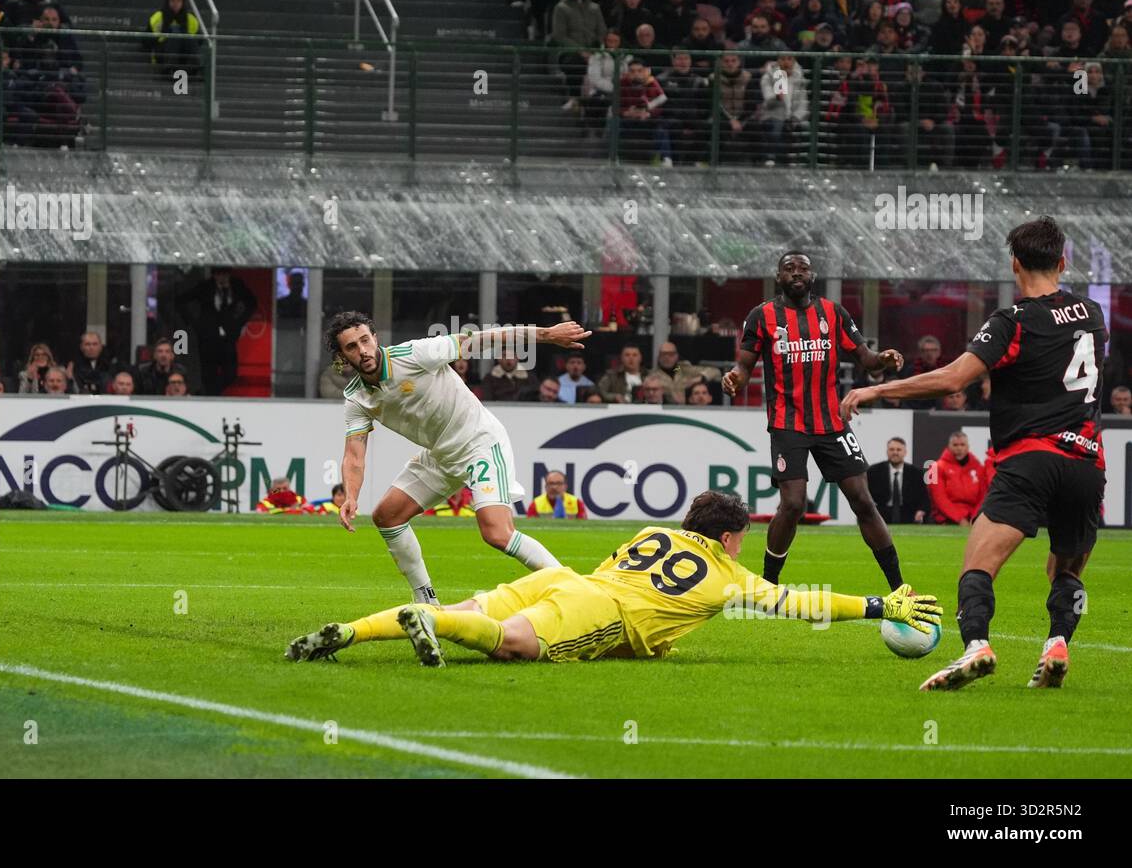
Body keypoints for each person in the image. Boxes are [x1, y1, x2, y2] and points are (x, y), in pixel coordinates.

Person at [841, 216, 1106, 691]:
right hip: (1087, 465)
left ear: (1014, 264)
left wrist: (877, 392)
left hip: (1030, 461)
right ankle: (1057, 644)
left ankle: (977, 645)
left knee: (978, 567)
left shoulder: (1012, 322)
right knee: (1062, 570)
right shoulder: (1092, 314)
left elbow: (952, 379)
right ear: (1063, 262)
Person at [286, 491, 941, 666]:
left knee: (469, 606)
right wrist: (880, 602)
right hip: (600, 612)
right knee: (513, 644)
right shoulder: (725, 575)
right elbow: (798, 603)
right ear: (730, 537)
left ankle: (353, 630)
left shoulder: (652, 534)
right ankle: (426, 621)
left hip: (567, 580)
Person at [328, 311, 587, 604]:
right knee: (387, 517)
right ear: (341, 356)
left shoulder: (414, 354)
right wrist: (351, 496)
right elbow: (354, 455)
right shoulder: (356, 398)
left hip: (479, 442)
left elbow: (481, 340)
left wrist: (546, 334)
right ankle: (426, 602)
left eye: (365, 340)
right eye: (352, 346)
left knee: (497, 534)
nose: (362, 351)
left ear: (375, 338)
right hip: (440, 455)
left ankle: (575, 591)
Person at [722, 251, 907, 591]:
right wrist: (734, 377)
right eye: (789, 269)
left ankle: (899, 586)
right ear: (779, 277)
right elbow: (744, 366)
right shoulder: (761, 316)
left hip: (832, 424)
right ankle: (769, 584)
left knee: (863, 501)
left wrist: (884, 358)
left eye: (802, 269)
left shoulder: (833, 313)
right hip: (787, 423)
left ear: (812, 276)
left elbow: (868, 360)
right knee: (792, 503)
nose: (796, 274)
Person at [178, 267, 257, 396]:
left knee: (231, 374)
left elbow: (252, 302)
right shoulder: (205, 287)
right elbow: (182, 300)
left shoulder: (237, 285)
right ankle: (210, 396)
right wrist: (194, 323)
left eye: (225, 274)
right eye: (219, 275)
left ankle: (209, 394)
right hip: (208, 337)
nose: (222, 278)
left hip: (228, 337)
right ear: (214, 275)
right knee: (209, 374)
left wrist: (240, 321)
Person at [925, 431, 988, 525]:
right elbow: (939, 498)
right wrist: (960, 519)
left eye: (962, 445)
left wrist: (974, 517)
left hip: (973, 518)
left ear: (968, 447)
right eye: (955, 445)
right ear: (949, 446)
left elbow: (983, 496)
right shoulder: (934, 468)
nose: (959, 448)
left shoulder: (979, 468)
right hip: (945, 520)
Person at [867, 436, 928, 524]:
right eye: (891, 449)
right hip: (880, 514)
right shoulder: (874, 471)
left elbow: (924, 498)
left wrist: (921, 511)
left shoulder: (915, 473)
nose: (895, 452)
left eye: (899, 450)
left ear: (905, 452)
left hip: (909, 515)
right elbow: (866, 495)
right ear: (887, 451)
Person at [66, 330, 114, 395]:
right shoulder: (73, 366)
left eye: (95, 344)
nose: (91, 347)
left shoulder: (110, 365)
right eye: (87, 344)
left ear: (101, 347)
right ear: (81, 347)